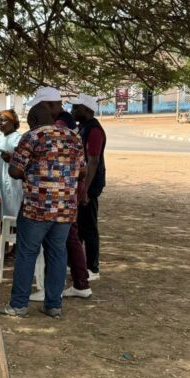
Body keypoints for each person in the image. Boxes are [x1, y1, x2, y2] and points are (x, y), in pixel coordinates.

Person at [0, 102, 85, 319]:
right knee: (57, 254)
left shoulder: (32, 136)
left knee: (27, 254)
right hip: (65, 208)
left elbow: (15, 171)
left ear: (33, 121)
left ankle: (18, 305)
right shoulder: (73, 137)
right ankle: (53, 305)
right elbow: (82, 171)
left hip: (37, 207)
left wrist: (21, 165)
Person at [71, 93, 107, 285]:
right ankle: (79, 264)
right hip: (82, 183)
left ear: (86, 109)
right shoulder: (82, 128)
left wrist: (84, 189)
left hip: (90, 185)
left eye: (76, 108)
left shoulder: (94, 130)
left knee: (89, 226)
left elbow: (93, 161)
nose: (72, 111)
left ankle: (93, 267)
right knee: (80, 226)